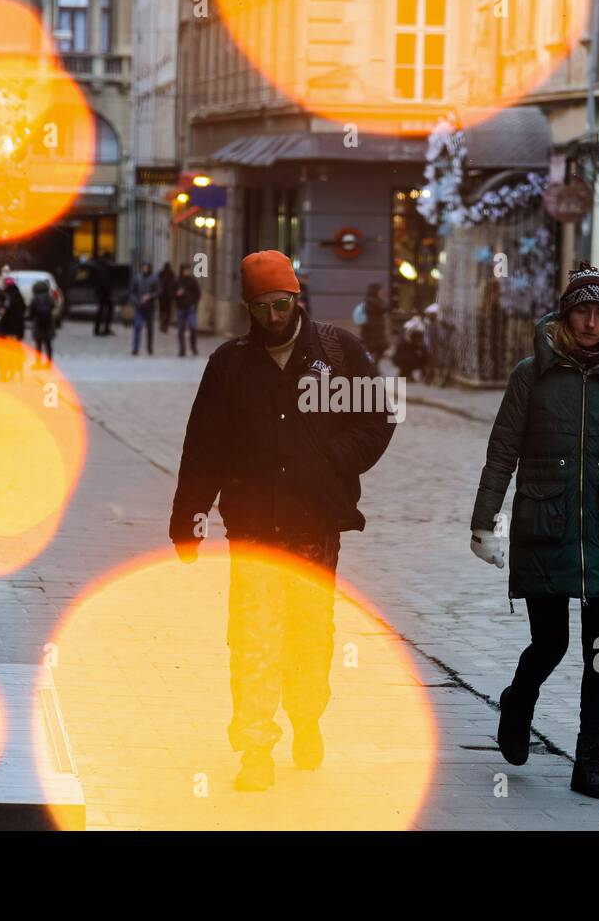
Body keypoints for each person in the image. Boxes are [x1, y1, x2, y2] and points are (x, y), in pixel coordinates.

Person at [169, 250, 395, 792]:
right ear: (249, 307)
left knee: (310, 635)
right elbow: (204, 446)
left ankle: (306, 716)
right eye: (262, 307)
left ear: (298, 299)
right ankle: (254, 747)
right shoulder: (230, 364)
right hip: (251, 529)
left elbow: (378, 419)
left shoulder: (338, 353)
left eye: (282, 305)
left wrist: (332, 461)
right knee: (252, 638)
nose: (274, 318)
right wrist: (189, 517)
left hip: (315, 526)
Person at [469, 263, 599, 800]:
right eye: (583, 311)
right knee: (550, 643)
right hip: (545, 525)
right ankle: (518, 701)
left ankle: (590, 762)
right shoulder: (531, 374)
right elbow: (503, 451)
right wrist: (485, 523)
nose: (592, 322)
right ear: (567, 313)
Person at [129, 262, 158, 355]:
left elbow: (158, 291)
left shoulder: (154, 278)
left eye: (146, 267)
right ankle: (135, 348)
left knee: (150, 329)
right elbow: (132, 292)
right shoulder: (137, 278)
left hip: (150, 307)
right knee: (137, 327)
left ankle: (149, 347)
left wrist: (150, 296)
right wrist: (136, 301)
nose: (145, 269)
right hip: (139, 307)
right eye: (143, 267)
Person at [174, 263, 201, 357]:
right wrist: (177, 295)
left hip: (190, 308)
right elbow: (171, 293)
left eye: (188, 270)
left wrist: (194, 303)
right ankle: (182, 349)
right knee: (181, 330)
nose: (186, 272)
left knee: (193, 327)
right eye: (185, 270)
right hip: (180, 308)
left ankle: (193, 347)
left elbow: (198, 293)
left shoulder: (192, 281)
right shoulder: (177, 281)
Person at [29, 279, 56, 366]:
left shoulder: (35, 299)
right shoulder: (49, 298)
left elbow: (31, 312)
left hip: (38, 323)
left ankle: (38, 362)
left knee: (38, 345)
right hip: (48, 323)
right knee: (48, 344)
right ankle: (49, 362)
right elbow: (53, 306)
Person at [360, 283, 388, 364]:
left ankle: (373, 368)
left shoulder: (371, 301)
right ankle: (372, 368)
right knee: (374, 350)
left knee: (377, 351)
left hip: (374, 331)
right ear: (375, 291)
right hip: (372, 332)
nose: (383, 293)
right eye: (381, 291)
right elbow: (384, 308)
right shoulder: (372, 301)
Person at [92, 253, 115, 336]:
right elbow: (104, 280)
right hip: (103, 293)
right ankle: (101, 329)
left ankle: (100, 329)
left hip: (102, 293)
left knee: (103, 310)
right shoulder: (103, 267)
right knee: (104, 310)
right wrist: (108, 292)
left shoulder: (100, 266)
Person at [157, 261, 177, 333]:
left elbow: (175, 284)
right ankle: (164, 324)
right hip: (165, 296)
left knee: (164, 311)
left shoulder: (162, 274)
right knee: (166, 311)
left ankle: (164, 324)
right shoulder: (171, 274)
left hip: (164, 296)